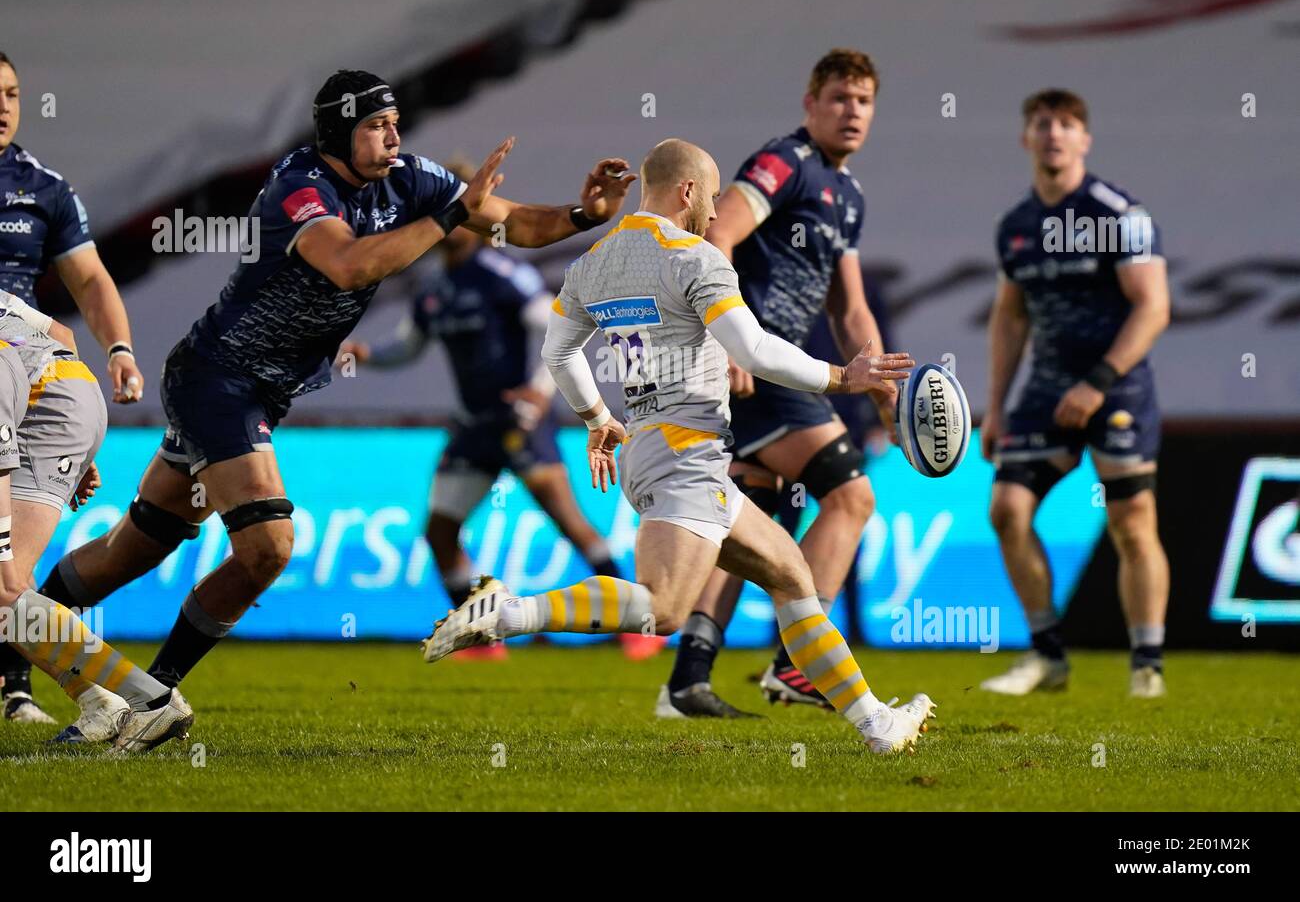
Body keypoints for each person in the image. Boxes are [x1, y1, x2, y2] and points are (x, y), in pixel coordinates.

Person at [34, 70, 635, 708]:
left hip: (257, 394)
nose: (393, 139)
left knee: (129, 551)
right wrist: (452, 215)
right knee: (268, 548)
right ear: (336, 135)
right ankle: (155, 698)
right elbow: (350, 266)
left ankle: (14, 646)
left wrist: (581, 214)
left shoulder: (410, 180)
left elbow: (511, 222)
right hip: (218, 378)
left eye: (395, 123)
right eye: (376, 127)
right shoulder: (299, 186)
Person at [423, 138, 936, 754]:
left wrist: (596, 417)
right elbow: (753, 351)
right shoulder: (694, 257)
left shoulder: (596, 259)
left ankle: (876, 725)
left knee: (792, 576)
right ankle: (510, 613)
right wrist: (839, 377)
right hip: (686, 453)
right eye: (713, 196)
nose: (716, 212)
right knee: (663, 610)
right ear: (688, 191)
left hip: (652, 449)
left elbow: (557, 352)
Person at [654, 49, 893, 717]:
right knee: (850, 496)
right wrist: (726, 336)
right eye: (840, 97)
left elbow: (848, 310)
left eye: (864, 101)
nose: (852, 111)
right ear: (810, 105)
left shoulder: (849, 196)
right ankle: (801, 663)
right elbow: (716, 236)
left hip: (770, 366)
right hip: (752, 359)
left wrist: (877, 381)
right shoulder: (785, 162)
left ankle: (686, 683)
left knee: (758, 513)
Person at [341, 161, 659, 661]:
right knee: (439, 531)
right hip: (473, 427)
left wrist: (539, 391)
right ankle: (479, 636)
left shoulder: (502, 274)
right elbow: (409, 345)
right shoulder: (434, 287)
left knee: (569, 521)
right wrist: (368, 356)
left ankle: (638, 622)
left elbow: (559, 328)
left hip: (519, 424)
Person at [980, 88, 1171, 698]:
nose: (1053, 134)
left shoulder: (1120, 214)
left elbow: (1154, 307)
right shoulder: (1015, 227)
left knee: (1131, 523)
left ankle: (1146, 664)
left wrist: (1100, 382)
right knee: (1007, 511)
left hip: (1117, 386)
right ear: (1025, 138)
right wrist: (997, 403)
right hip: (1045, 386)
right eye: (1042, 123)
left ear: (1085, 139)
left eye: (1066, 124)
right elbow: (1011, 318)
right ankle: (1047, 656)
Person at [0, 50, 146, 723]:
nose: (4, 105)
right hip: (36, 365)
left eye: (12, 92)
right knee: (8, 580)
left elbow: (87, 284)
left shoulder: (43, 186)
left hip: (24, 370)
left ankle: (118, 698)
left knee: (6, 578)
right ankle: (114, 700)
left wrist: (116, 348)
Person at [0, 291, 191, 752]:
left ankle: (151, 700)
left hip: (37, 410)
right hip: (65, 392)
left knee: (3, 590)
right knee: (12, 589)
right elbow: (61, 335)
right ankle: (101, 702)